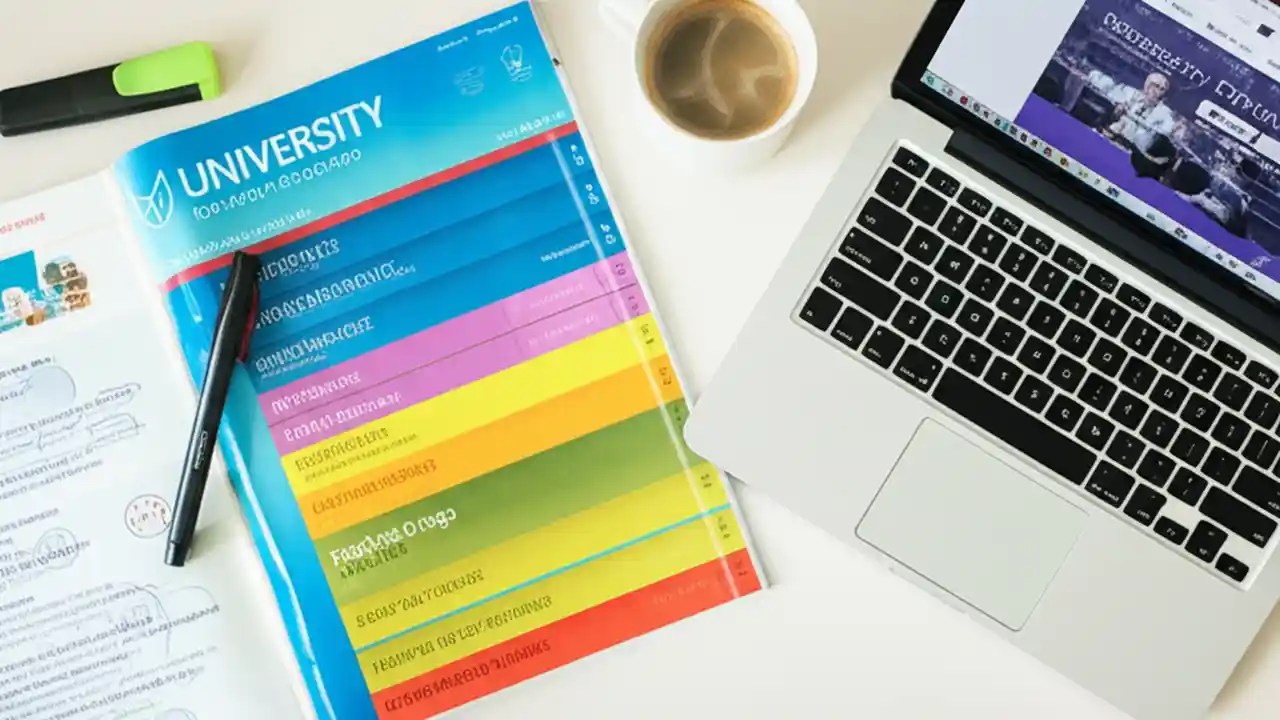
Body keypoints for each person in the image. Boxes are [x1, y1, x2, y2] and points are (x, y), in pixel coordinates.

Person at [1084, 70, 1178, 154]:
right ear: (1146, 84)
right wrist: (1115, 110)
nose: (1156, 91)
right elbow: (1102, 84)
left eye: (1162, 89)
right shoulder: (1128, 92)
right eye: (1155, 86)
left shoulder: (1164, 114)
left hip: (1127, 151)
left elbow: (1149, 141)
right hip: (1104, 136)